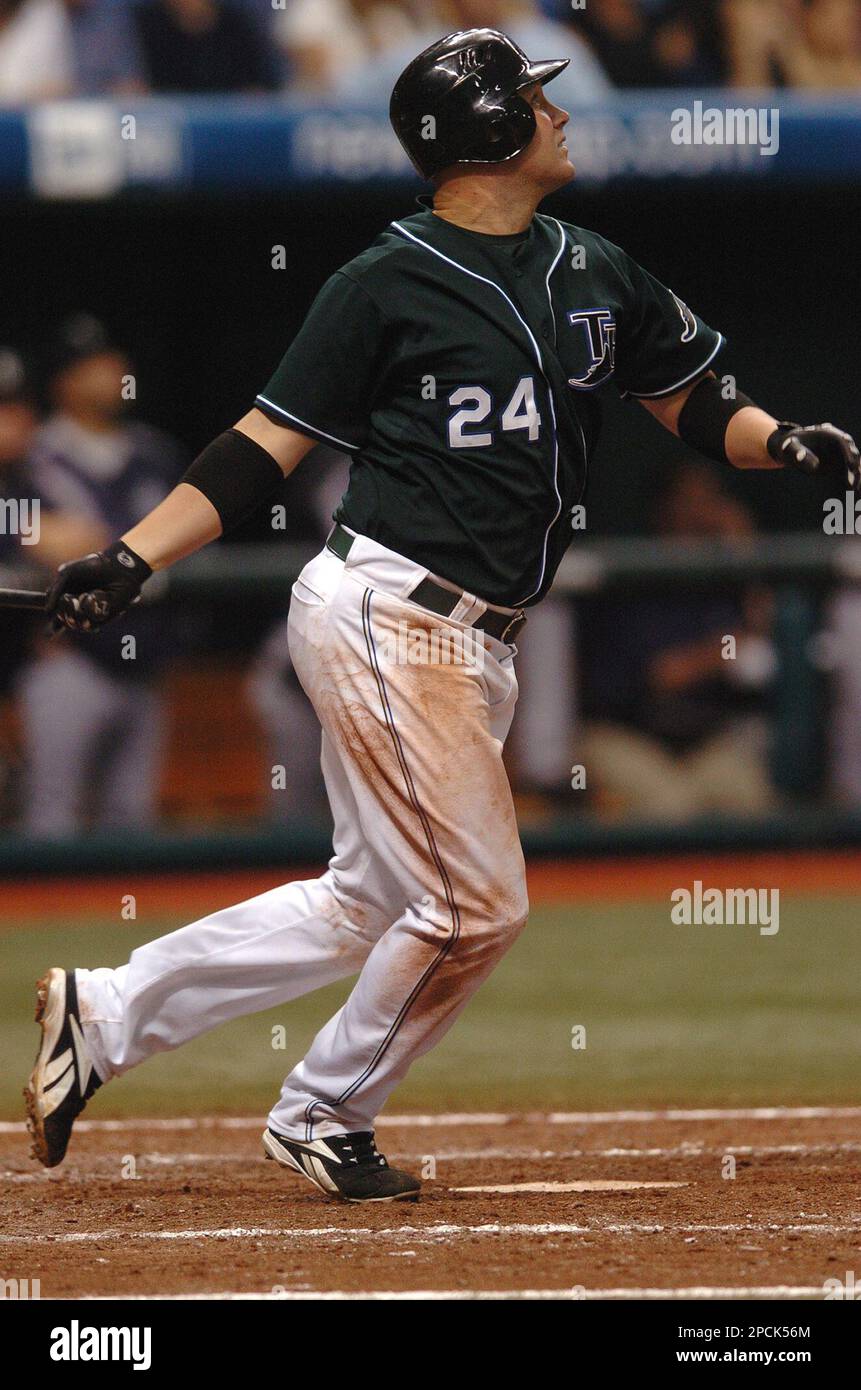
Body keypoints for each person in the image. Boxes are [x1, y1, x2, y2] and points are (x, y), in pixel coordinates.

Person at [24, 28, 860, 1203]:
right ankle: (321, 1110)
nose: (556, 113)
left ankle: (104, 1015)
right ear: (487, 130)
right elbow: (265, 446)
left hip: (480, 636)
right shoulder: (384, 280)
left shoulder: (591, 265)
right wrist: (131, 553)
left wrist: (779, 438)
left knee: (367, 901)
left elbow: (689, 396)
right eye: (533, 98)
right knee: (474, 903)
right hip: (387, 611)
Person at [17, 315, 185, 836]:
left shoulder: (155, 452)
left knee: (133, 827)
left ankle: (131, 921)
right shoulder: (31, 458)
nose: (113, 373)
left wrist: (93, 537)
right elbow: (25, 534)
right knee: (51, 825)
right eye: (93, 366)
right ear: (63, 382)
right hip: (68, 658)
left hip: (147, 662)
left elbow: (190, 544)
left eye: (114, 361)